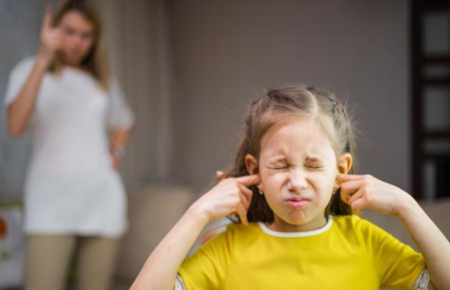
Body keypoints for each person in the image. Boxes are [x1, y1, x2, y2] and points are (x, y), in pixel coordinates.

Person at [130, 86, 450, 290]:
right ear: (256, 171)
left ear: (341, 170)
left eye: (312, 165)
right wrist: (197, 212)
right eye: (281, 166)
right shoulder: (228, 248)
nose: (296, 183)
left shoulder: (365, 241)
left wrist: (408, 207)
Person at [4, 1, 134, 290]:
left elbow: (125, 122)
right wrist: (42, 60)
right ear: (54, 29)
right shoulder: (28, 70)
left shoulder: (102, 82)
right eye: (69, 31)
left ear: (95, 39)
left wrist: (117, 152)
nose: (76, 42)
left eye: (85, 35)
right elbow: (14, 126)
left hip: (102, 201)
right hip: (50, 205)